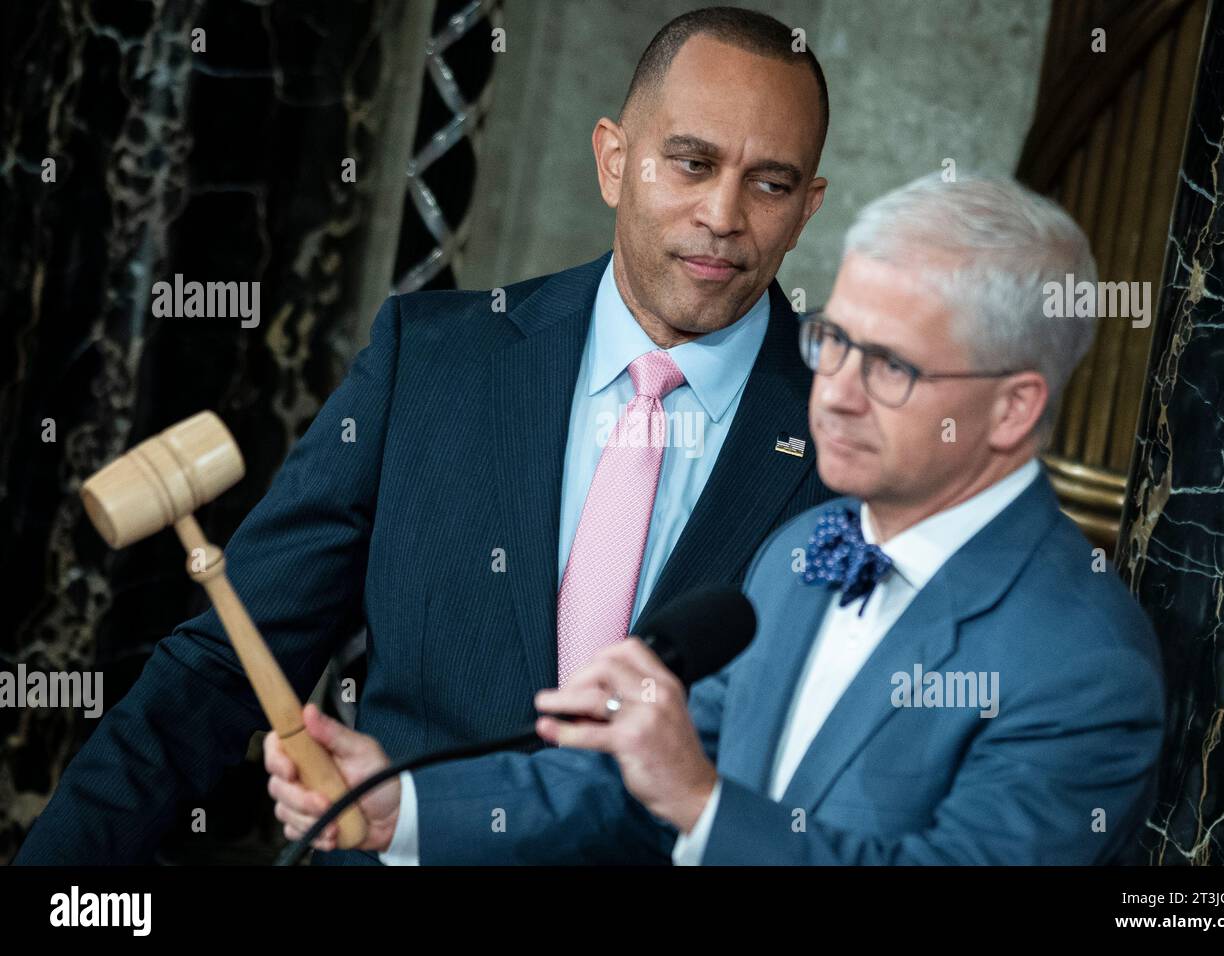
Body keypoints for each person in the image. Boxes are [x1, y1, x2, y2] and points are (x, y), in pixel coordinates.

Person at [15, 6, 835, 865]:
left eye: (770, 184)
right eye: (692, 162)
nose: (723, 214)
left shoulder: (851, 447)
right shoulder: (432, 362)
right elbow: (225, 669)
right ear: (614, 159)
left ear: (808, 206)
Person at [266, 172, 1167, 865]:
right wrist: (400, 808)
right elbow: (640, 773)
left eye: (889, 366)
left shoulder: (1083, 667)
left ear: (1013, 409)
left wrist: (703, 805)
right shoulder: (803, 552)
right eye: (834, 341)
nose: (836, 396)